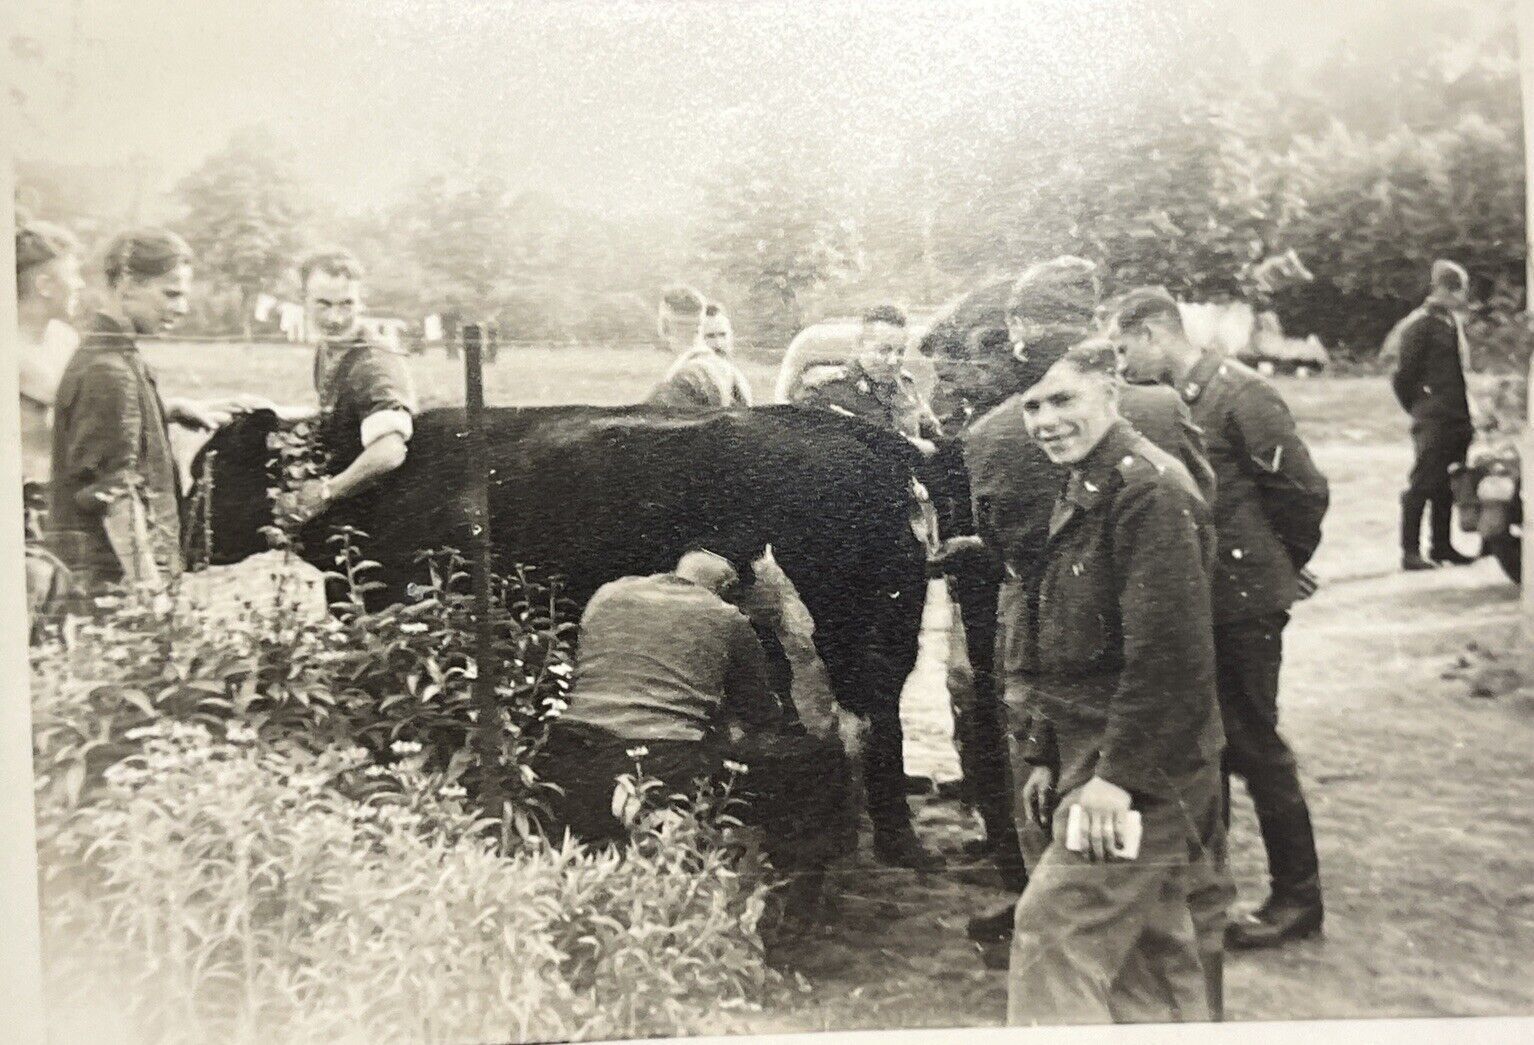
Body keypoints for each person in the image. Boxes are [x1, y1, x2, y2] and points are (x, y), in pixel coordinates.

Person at [941, 259, 1217, 956]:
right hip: (1169, 676)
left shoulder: (994, 430)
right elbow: (1208, 509)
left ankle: (1045, 902)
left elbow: (1013, 557)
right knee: (1169, 892)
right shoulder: (1157, 404)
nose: (1049, 419)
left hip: (1064, 668)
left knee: (1059, 847)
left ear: (1019, 328)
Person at [997, 340, 1225, 1025]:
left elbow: (1170, 657)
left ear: (1110, 393)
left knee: (1053, 937)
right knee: (1145, 962)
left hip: (1137, 763)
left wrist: (1118, 778)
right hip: (1088, 752)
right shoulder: (1089, 482)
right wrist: (1044, 751)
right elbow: (1057, 634)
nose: (1044, 420)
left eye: (1062, 399)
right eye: (1031, 405)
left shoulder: (1147, 490)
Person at [1110, 285, 1330, 950]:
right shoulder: (1176, 401)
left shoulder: (1241, 392)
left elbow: (1303, 491)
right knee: (1212, 743)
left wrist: (1280, 564)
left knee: (1258, 746)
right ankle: (1213, 889)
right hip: (1208, 599)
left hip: (1242, 603)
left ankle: (1298, 899)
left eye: (1124, 348)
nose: (1121, 366)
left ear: (1153, 333)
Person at [533, 547, 855, 902]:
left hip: (569, 750)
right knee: (820, 761)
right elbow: (761, 717)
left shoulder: (607, 594)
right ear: (728, 587)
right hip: (659, 760)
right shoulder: (727, 618)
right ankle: (798, 900)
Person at [49, 228, 242, 596]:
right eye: (170, 294)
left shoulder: (111, 357)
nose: (182, 308)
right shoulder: (109, 370)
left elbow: (104, 426)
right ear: (126, 284)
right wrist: (149, 591)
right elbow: (114, 495)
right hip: (112, 586)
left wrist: (163, 411)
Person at [278, 250, 418, 526]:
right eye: (323, 304)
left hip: (393, 503)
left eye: (346, 304)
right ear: (303, 301)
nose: (335, 318)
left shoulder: (374, 361)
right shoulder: (329, 348)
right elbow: (338, 413)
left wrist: (326, 491)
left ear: (361, 302)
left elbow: (390, 450)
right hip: (359, 493)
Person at [1388, 259, 1479, 570]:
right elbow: (1403, 375)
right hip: (1435, 417)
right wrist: (1420, 407)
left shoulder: (1448, 322)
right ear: (1441, 289)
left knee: (1448, 483)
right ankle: (1410, 552)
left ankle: (1441, 546)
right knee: (1423, 482)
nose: (1461, 297)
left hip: (1455, 415)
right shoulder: (1421, 324)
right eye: (1456, 290)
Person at [790, 304, 942, 449]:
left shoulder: (907, 388)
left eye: (900, 352)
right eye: (884, 350)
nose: (893, 361)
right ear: (860, 346)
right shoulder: (826, 390)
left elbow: (935, 440)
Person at [16, 220, 85, 490]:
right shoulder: (12, 350)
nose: (80, 284)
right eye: (74, 274)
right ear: (44, 285)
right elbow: (84, 407)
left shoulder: (64, 337)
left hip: (58, 488)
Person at [646, 302, 754, 408]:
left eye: (723, 334)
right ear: (696, 338)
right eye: (710, 336)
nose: (718, 344)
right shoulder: (685, 379)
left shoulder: (736, 379)